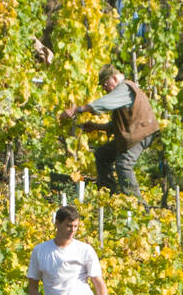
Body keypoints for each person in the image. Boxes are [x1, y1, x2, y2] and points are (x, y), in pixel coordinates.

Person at [60, 64, 160, 203]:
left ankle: (137, 206)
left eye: (105, 84)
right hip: (133, 134)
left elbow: (104, 103)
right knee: (103, 154)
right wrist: (96, 127)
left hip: (142, 133)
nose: (104, 88)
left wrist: (77, 110)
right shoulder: (120, 93)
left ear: (114, 78)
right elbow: (116, 126)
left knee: (124, 163)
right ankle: (109, 196)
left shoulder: (124, 88)